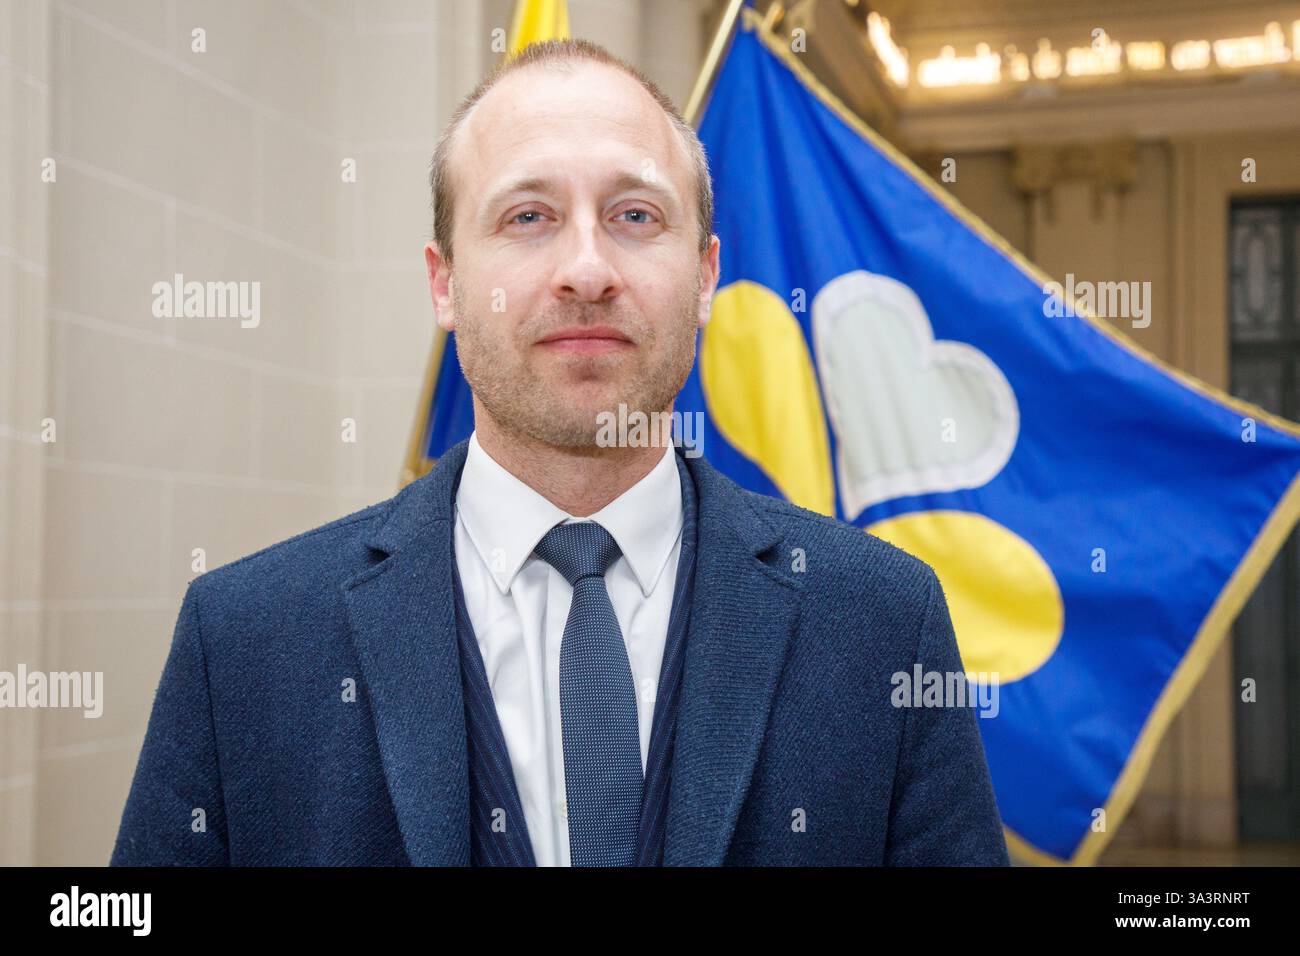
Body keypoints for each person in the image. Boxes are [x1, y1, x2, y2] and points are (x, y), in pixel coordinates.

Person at [111, 38, 1009, 867]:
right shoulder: (243, 642)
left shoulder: (884, 622)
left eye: (634, 214)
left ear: (703, 278)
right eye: (529, 216)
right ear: (444, 284)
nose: (587, 269)